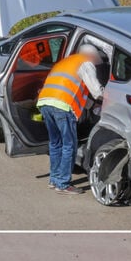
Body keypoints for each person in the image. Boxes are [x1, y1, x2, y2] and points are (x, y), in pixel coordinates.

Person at [37, 42, 105, 194]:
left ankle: (54, 180)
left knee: (55, 143)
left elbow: (77, 91)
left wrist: (92, 106)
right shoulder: (86, 63)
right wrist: (109, 98)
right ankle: (63, 184)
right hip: (62, 106)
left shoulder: (65, 62)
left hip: (45, 103)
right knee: (69, 145)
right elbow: (96, 91)